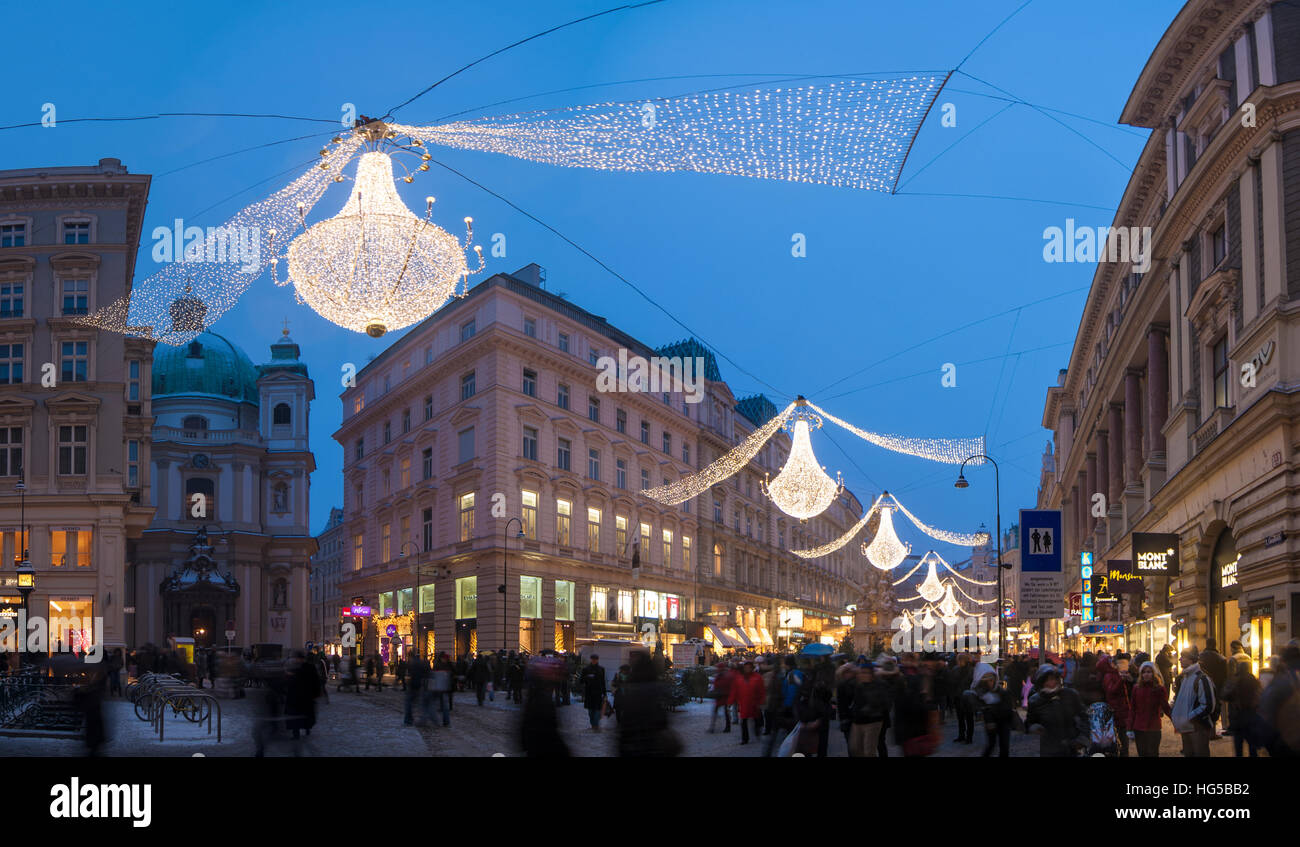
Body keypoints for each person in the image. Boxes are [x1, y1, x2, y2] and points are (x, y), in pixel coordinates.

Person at [617, 651, 680, 757]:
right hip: (655, 741)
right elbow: (664, 716)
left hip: (634, 740)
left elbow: (625, 719)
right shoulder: (657, 685)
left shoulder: (632, 686)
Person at [1026, 664, 1085, 757]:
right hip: (1048, 748)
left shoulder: (1070, 695)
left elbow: (1084, 717)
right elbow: (1030, 722)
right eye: (1049, 680)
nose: (1053, 682)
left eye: (1055, 679)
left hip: (1071, 747)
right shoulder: (1035, 700)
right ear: (1042, 682)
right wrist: (1033, 728)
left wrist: (1082, 739)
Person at [1171, 647, 1215, 757]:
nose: (1180, 659)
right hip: (1187, 727)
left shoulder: (1201, 679)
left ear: (1191, 660)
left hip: (1197, 727)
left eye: (1183, 657)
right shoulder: (1184, 678)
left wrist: (1190, 716)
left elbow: (1209, 705)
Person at [966, 662, 1015, 757]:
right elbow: (981, 709)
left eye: (991, 680)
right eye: (986, 680)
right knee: (991, 745)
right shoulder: (980, 695)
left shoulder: (1002, 692)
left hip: (1004, 722)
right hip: (991, 723)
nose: (990, 683)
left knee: (1004, 746)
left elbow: (1008, 707)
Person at [847, 663, 892, 757]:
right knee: (854, 748)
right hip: (857, 721)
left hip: (873, 721)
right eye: (861, 673)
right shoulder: (856, 683)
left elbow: (884, 703)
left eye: (866, 673)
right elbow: (843, 687)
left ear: (872, 674)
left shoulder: (879, 685)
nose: (863, 675)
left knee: (869, 751)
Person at [1221, 657, 1261, 757]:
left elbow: (1224, 695)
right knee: (1252, 746)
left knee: (1238, 747)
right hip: (1251, 716)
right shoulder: (1253, 680)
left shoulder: (1233, 680)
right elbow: (1260, 696)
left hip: (1237, 716)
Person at [1130, 662, 1171, 757]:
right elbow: (1132, 709)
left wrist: (1176, 720)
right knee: (1142, 753)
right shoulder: (1136, 688)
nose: (1146, 674)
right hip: (1139, 726)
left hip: (1153, 726)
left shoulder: (1159, 689)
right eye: (1144, 672)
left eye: (1149, 672)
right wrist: (1129, 728)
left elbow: (1165, 707)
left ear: (1153, 673)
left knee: (1153, 753)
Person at [1096, 654, 1132, 757]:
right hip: (1116, 711)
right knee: (1119, 740)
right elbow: (1111, 690)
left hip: (1122, 710)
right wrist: (1122, 680)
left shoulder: (1117, 674)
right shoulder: (1109, 676)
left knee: (1124, 740)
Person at [284, 650, 321, 743]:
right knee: (299, 715)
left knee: (299, 715)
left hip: (300, 696)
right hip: (301, 696)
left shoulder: (300, 668)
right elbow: (316, 681)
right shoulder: (305, 667)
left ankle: (303, 730)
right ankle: (298, 732)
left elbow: (315, 681)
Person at [730, 660, 766, 745]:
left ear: (752, 668)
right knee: (744, 721)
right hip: (744, 703)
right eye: (746, 667)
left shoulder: (757, 677)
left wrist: (761, 701)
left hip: (755, 703)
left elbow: (761, 690)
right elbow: (735, 690)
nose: (747, 669)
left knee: (756, 719)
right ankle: (745, 739)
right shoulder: (739, 678)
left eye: (749, 667)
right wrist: (731, 701)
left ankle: (757, 732)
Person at [1197, 638, 1228, 735]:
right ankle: (1212, 732)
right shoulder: (1221, 658)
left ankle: (1204, 731)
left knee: (1203, 706)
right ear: (1215, 645)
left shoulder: (1200, 657)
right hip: (1217, 686)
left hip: (1201, 685)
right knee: (1214, 708)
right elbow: (1224, 676)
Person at [952, 654, 975, 744]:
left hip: (967, 696)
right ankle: (961, 735)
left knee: (969, 717)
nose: (957, 662)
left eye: (958, 660)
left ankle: (969, 737)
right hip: (958, 696)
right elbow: (953, 682)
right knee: (960, 717)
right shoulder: (956, 669)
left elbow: (972, 682)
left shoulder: (971, 670)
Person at [580, 654, 607, 731]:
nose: (594, 660)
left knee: (597, 710)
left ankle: (595, 725)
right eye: (593, 659)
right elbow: (581, 680)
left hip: (598, 692)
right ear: (591, 659)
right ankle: (593, 725)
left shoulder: (601, 669)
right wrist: (588, 677)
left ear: (598, 660)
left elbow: (603, 682)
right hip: (589, 692)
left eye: (595, 659)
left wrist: (604, 693)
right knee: (590, 711)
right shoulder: (586, 669)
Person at [405, 652, 430, 726]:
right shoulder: (419, 663)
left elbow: (415, 675)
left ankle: (408, 720)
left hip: (415, 685)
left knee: (409, 703)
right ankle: (420, 719)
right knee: (419, 703)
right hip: (419, 685)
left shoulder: (414, 663)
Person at [708, 662, 734, 733]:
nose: (717, 669)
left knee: (725, 713)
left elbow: (729, 686)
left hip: (724, 697)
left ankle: (725, 727)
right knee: (721, 712)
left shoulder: (726, 676)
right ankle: (713, 727)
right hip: (720, 697)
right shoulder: (720, 676)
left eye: (718, 668)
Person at [431, 652, 455, 726]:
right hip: (442, 686)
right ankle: (439, 720)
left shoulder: (445, 665)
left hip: (444, 687)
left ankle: (444, 721)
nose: (444, 659)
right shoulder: (445, 665)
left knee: (444, 704)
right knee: (442, 704)